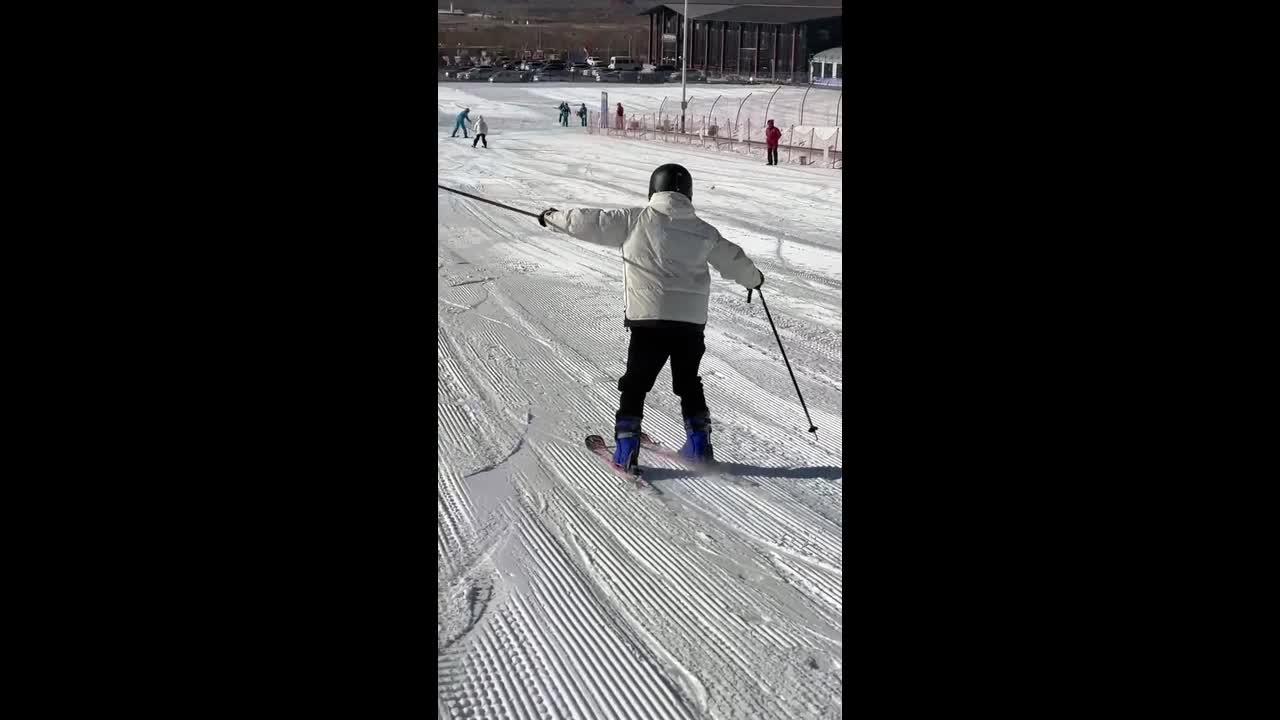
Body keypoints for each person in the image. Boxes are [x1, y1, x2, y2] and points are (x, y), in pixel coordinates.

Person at [535, 164, 764, 472]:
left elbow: (589, 222)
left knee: (636, 383)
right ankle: (699, 445)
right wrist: (754, 280)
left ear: (653, 189)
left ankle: (626, 448)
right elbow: (734, 260)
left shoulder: (635, 219)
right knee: (689, 383)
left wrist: (550, 217)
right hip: (690, 324)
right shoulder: (704, 231)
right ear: (689, 193)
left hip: (650, 322)